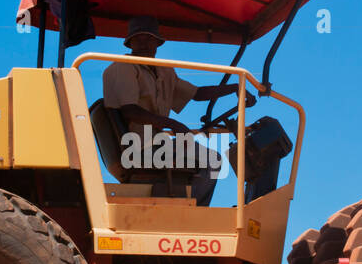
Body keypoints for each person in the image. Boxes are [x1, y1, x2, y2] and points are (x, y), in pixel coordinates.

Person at [103, 16, 253, 206]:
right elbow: (130, 111)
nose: (144, 42)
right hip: (139, 146)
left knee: (209, 158)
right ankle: (192, 211)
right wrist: (173, 124)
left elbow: (196, 93)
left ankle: (185, 202)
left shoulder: (164, 72)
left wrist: (235, 88)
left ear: (157, 43)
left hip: (156, 143)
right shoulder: (121, 67)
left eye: (149, 38)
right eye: (138, 38)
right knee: (212, 160)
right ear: (129, 42)